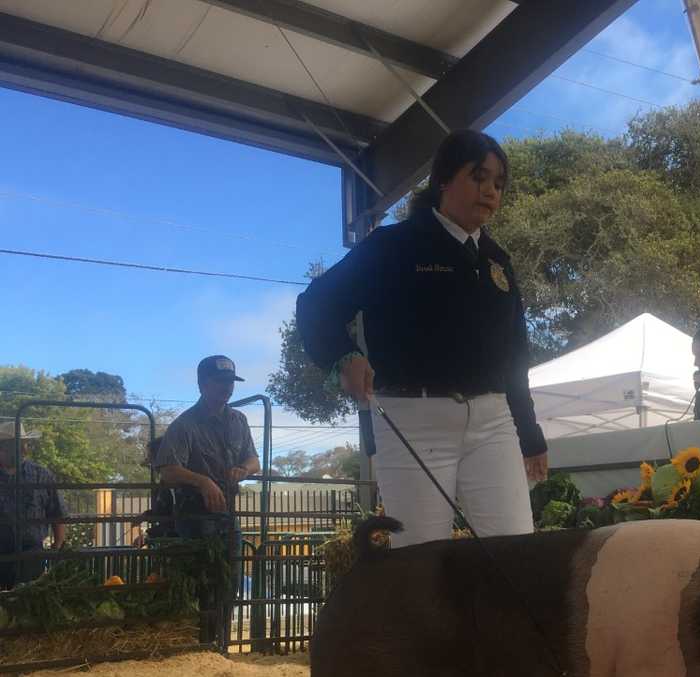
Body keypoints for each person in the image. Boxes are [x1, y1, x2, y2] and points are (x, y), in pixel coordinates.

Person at [296, 129, 548, 548]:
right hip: (413, 419)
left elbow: (514, 355)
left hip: (493, 421)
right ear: (444, 179)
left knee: (516, 554)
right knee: (419, 562)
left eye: (499, 184)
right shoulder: (394, 247)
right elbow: (316, 304)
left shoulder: (497, 261)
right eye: (479, 177)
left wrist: (530, 432)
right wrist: (343, 357)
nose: (490, 191)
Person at [152, 355, 260, 639]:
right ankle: (199, 644)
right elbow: (167, 471)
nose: (227, 388)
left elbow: (253, 460)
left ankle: (219, 646)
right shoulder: (184, 425)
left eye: (230, 382)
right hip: (194, 517)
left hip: (227, 514)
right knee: (202, 582)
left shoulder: (239, 420)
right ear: (202, 385)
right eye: (220, 382)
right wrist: (202, 482)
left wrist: (242, 469)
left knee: (230, 581)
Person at [0, 421, 66, 590]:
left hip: (31, 555)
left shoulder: (41, 475)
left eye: (24, 444)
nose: (24, 449)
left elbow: (57, 513)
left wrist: (57, 546)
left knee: (28, 603)